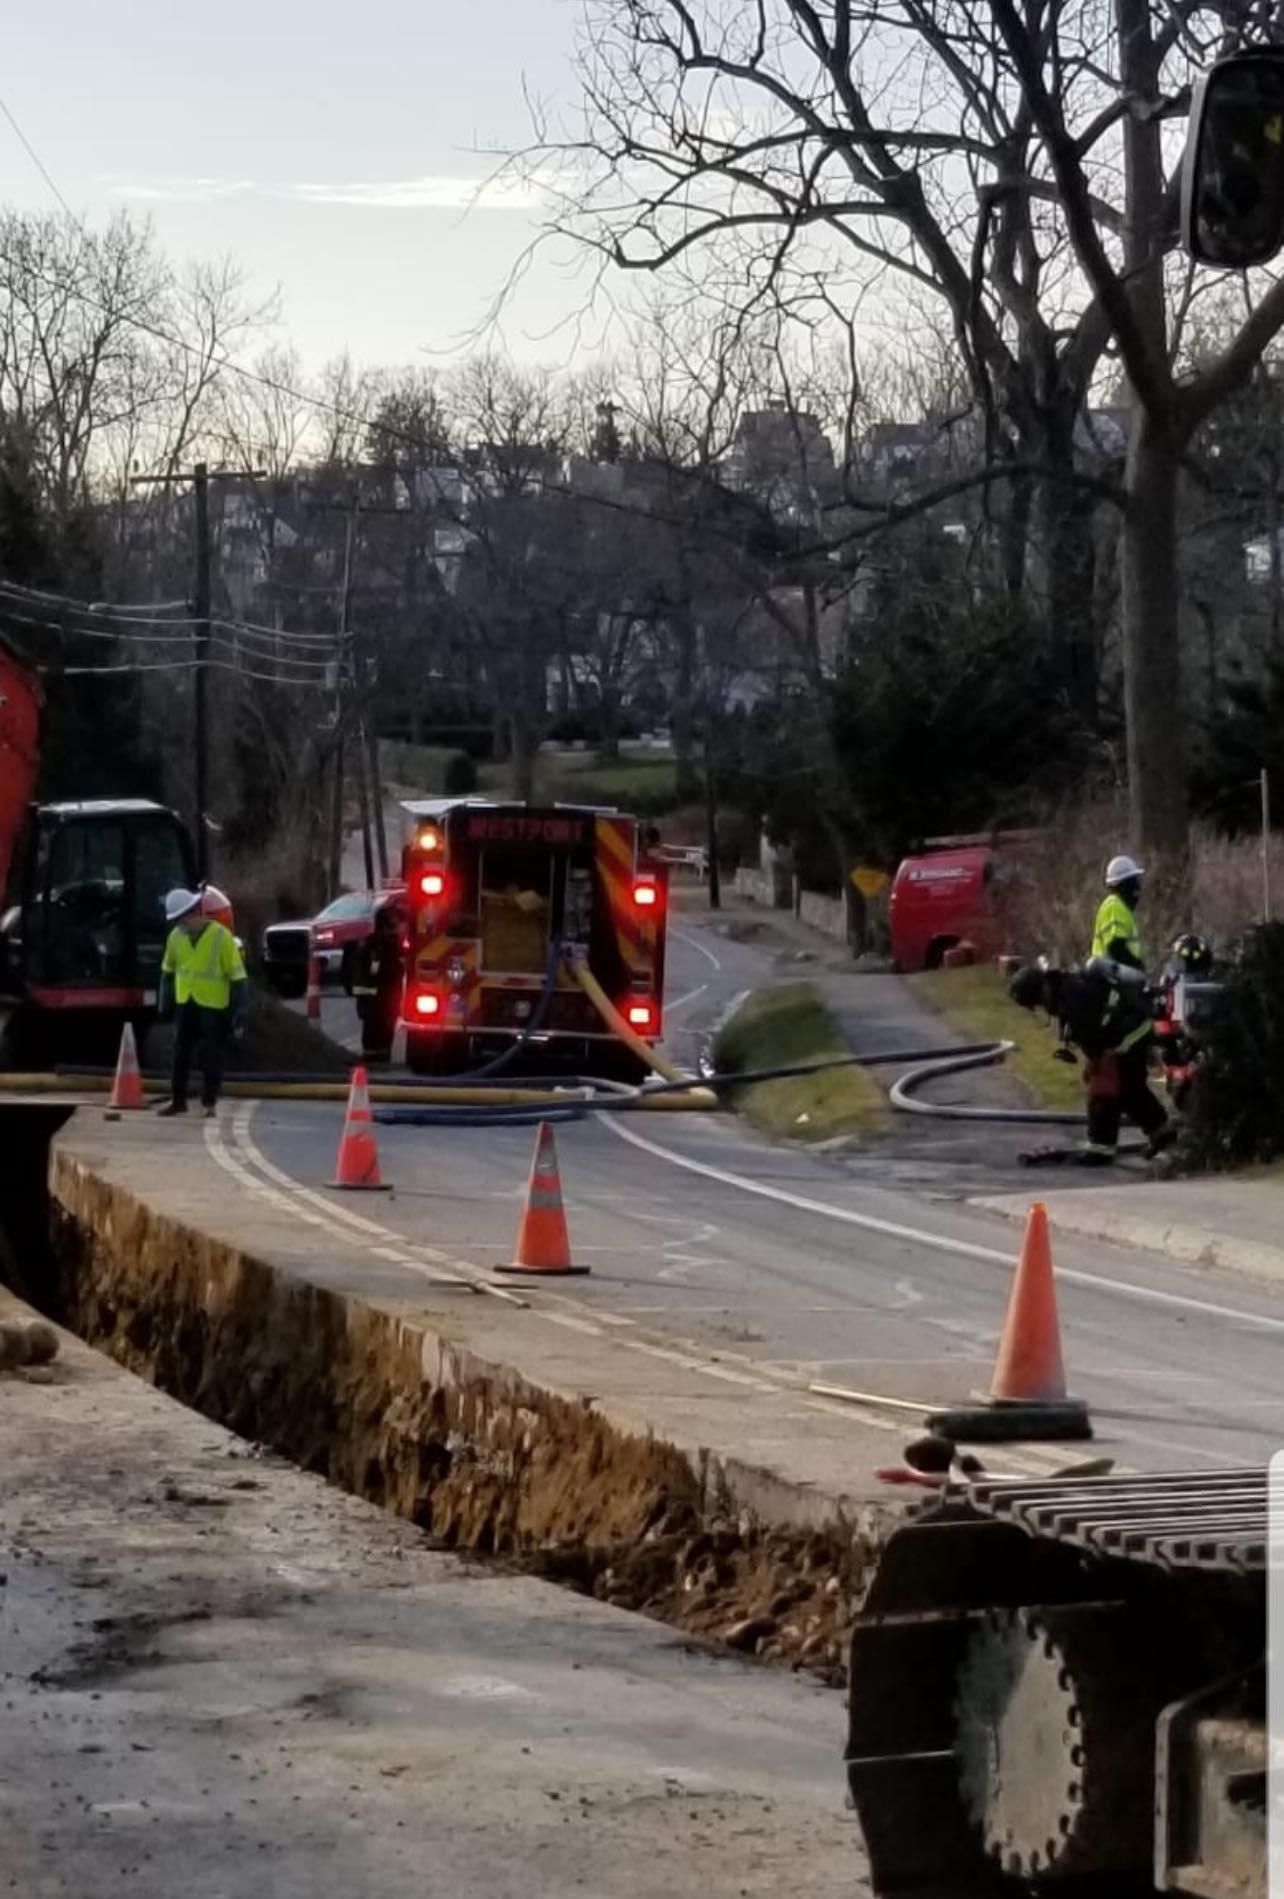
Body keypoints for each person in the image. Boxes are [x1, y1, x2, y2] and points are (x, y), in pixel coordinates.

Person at [1009, 958, 1172, 1163]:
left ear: (1040, 990)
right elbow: (1095, 1035)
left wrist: (1097, 1062)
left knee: (1104, 1085)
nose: (1040, 1007)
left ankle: (1100, 1148)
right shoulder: (1065, 991)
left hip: (1130, 1031)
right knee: (1129, 1086)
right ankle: (1161, 1131)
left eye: (1037, 1002)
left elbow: (1095, 1038)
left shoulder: (1073, 997)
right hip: (1123, 1031)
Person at [157, 887, 247, 1118]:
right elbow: (168, 971)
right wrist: (165, 1000)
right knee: (180, 1054)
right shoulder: (176, 937)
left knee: (212, 1056)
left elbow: (238, 978)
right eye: (177, 921)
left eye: (183, 919)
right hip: (186, 1002)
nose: (181, 925)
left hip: (214, 1006)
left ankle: (209, 1102)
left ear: (196, 912)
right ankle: (178, 1101)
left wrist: (238, 1011)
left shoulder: (221, 937)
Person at [351, 901, 404, 1062]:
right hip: (379, 997)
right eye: (395, 924)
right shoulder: (381, 946)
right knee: (378, 1028)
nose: (398, 927)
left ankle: (377, 1056)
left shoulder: (374, 943)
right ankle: (377, 1057)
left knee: (378, 1028)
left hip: (377, 998)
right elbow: (380, 971)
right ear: (386, 926)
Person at [1092, 855, 1145, 969]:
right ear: (1124, 885)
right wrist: (1137, 966)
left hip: (1112, 973)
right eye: (1133, 882)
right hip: (1112, 975)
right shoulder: (1115, 906)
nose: (1137, 888)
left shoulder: (1118, 906)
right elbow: (1116, 947)